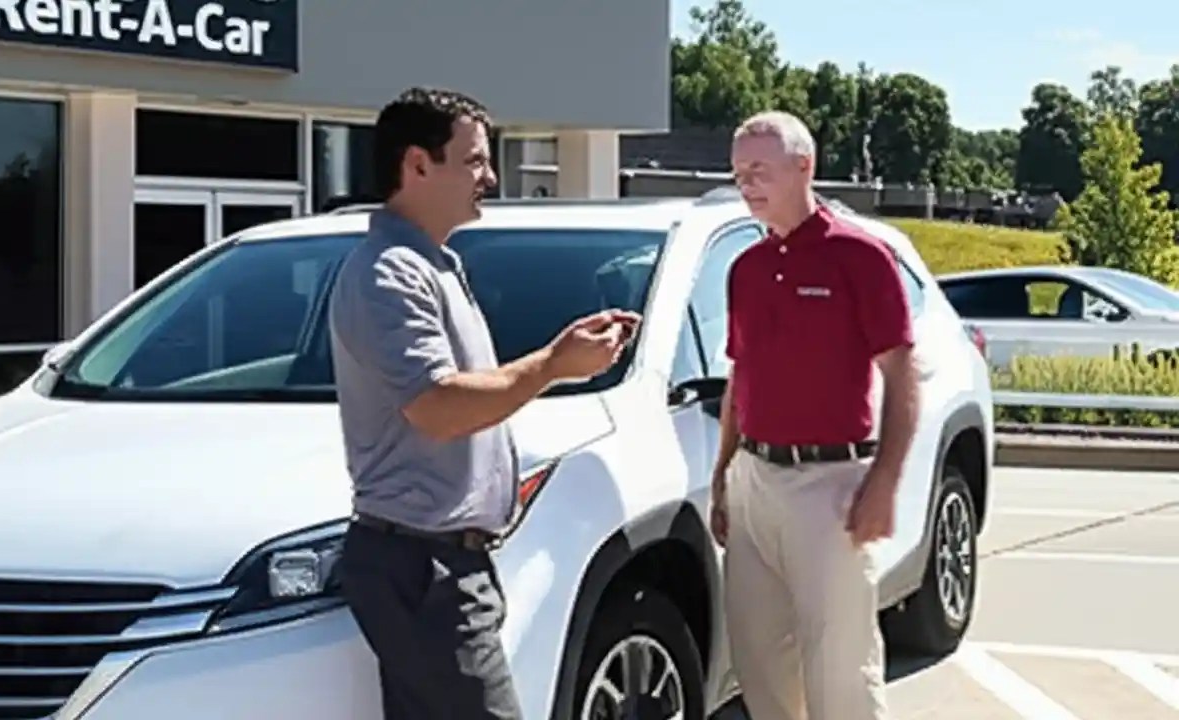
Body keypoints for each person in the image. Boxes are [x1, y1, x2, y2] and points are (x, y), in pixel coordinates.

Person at [327, 87, 640, 720]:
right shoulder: (390, 272)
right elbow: (438, 406)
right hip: (423, 566)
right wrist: (554, 365)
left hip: (436, 562)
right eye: (473, 161)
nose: (490, 178)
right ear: (417, 164)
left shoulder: (432, 263)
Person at [709, 111, 920, 720]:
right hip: (753, 483)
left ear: (805, 167)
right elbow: (741, 377)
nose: (746, 184)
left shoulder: (860, 256)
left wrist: (884, 482)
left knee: (840, 671)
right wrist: (723, 476)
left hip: (831, 488)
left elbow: (903, 375)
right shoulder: (746, 268)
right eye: (738, 173)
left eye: (759, 170)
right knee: (760, 666)